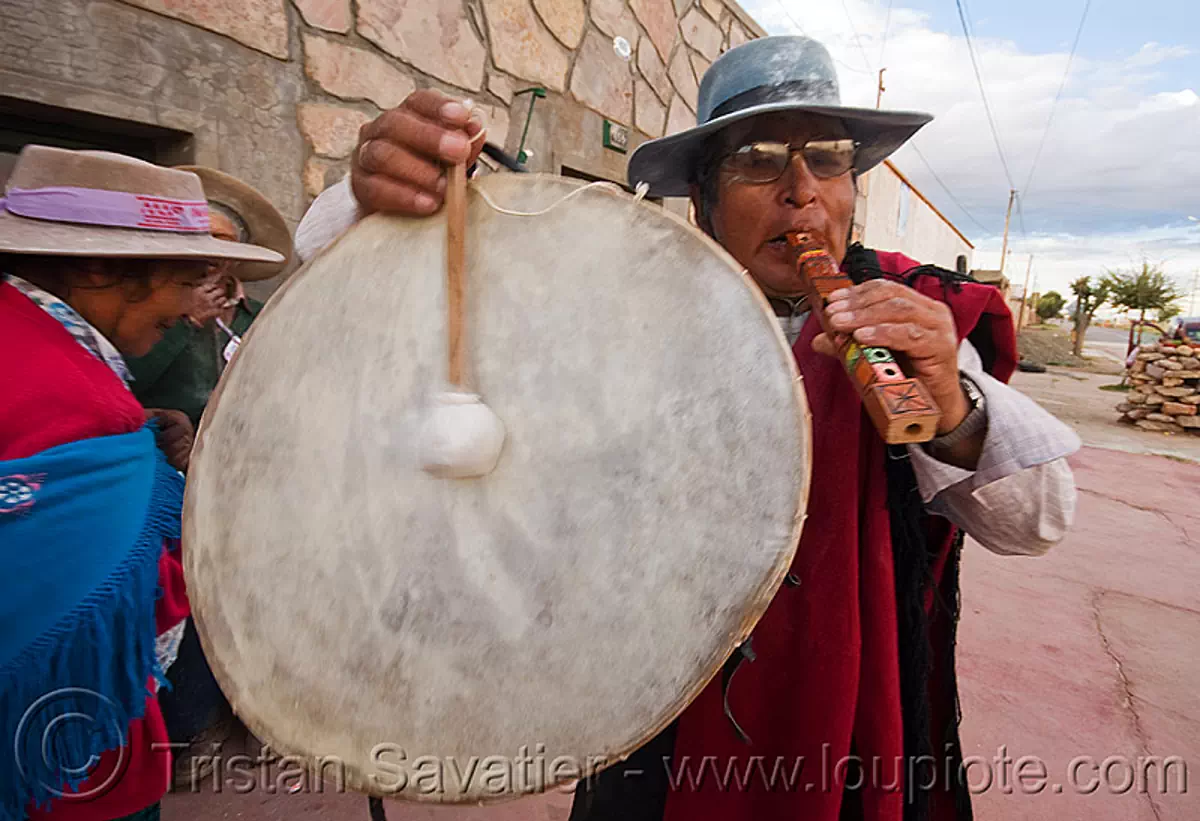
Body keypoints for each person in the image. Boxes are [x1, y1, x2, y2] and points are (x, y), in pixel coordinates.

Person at [295, 36, 1079, 821]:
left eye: (829, 159)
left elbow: (1039, 522)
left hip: (853, 742)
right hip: (654, 729)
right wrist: (383, 191)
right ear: (702, 201)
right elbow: (371, 286)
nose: (801, 191)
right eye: (760, 159)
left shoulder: (914, 316)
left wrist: (953, 408)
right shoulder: (629, 304)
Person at [0, 144, 283, 821]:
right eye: (184, 275)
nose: (192, 300)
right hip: (60, 769)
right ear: (98, 267)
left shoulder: (43, 350)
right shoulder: (73, 401)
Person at [126, 167, 294, 429]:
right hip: (164, 450)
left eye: (221, 240)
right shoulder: (146, 309)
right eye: (200, 240)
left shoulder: (265, 316)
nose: (209, 253)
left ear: (238, 254)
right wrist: (187, 321)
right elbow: (126, 382)